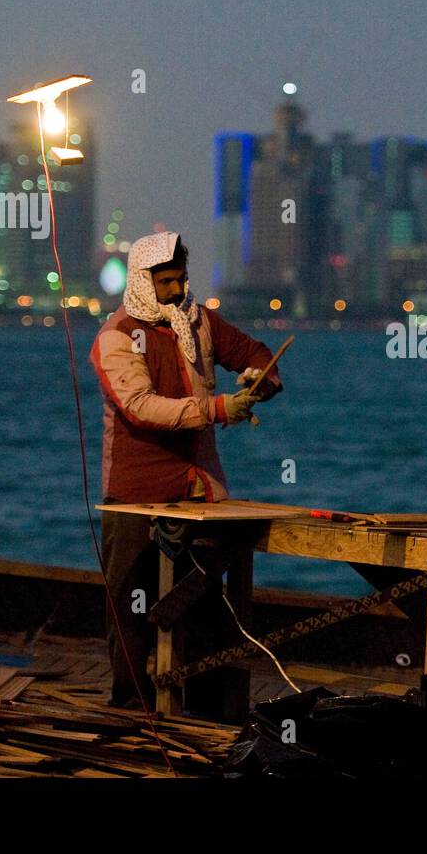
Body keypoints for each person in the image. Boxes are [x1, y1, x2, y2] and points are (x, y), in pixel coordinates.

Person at [89, 230, 282, 717]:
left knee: (206, 607)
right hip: (135, 494)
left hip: (198, 492)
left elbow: (255, 352)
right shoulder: (115, 336)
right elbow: (139, 407)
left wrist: (262, 379)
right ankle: (132, 704)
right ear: (142, 281)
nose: (177, 291)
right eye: (168, 282)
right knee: (131, 604)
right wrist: (219, 407)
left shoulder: (200, 321)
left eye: (182, 280)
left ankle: (209, 710)